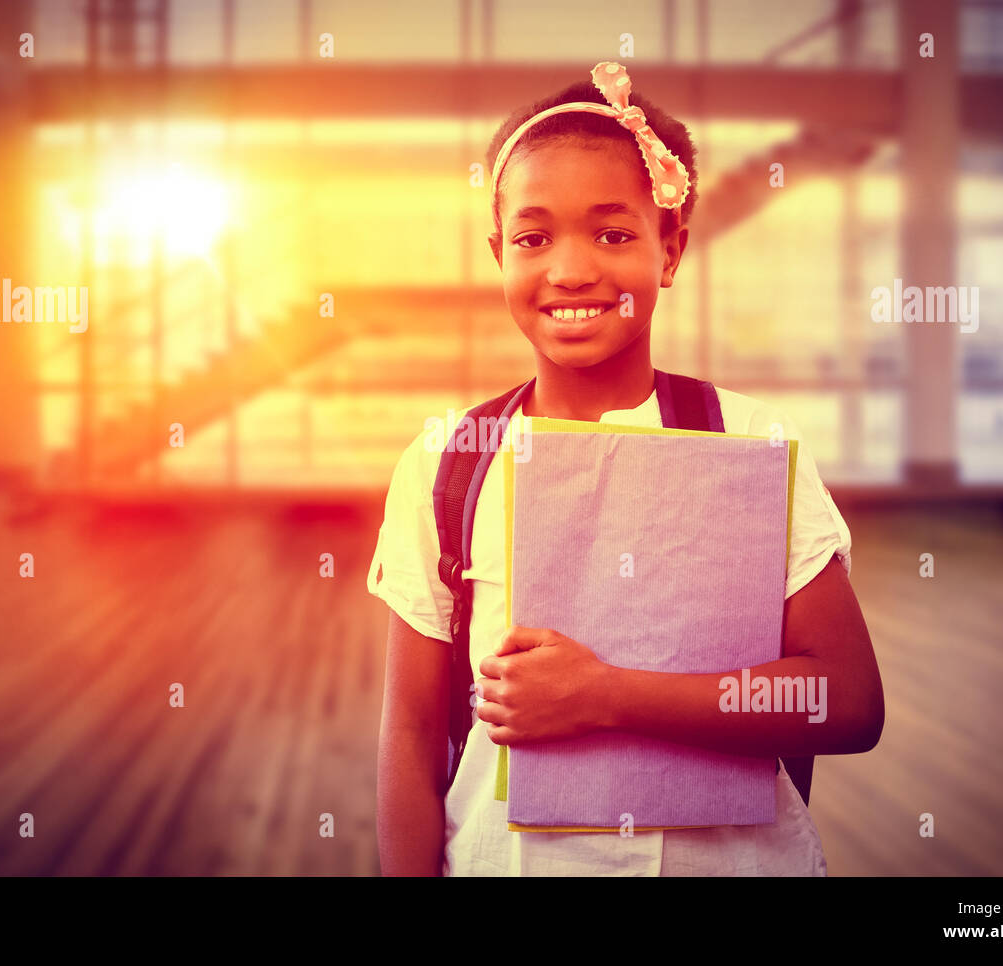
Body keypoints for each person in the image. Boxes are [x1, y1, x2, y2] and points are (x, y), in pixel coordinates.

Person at [368, 62, 884, 876]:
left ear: (670, 249)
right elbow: (408, 732)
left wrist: (605, 695)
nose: (571, 270)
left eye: (613, 234)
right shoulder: (448, 463)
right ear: (500, 253)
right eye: (534, 238)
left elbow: (845, 702)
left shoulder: (752, 441)